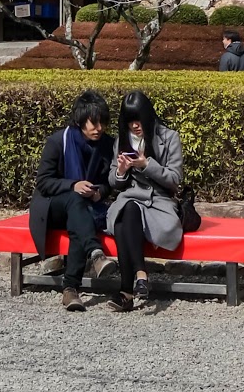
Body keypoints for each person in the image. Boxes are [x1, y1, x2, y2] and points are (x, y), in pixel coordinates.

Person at [29, 90, 116, 312]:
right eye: (93, 123)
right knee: (76, 203)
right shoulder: (59, 141)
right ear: (79, 121)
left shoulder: (108, 144)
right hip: (53, 207)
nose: (99, 128)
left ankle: (70, 290)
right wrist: (72, 185)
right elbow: (44, 182)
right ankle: (95, 254)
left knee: (80, 217)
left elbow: (110, 182)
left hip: (84, 209)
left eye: (102, 123)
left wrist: (99, 192)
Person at [106, 90, 183, 312]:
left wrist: (147, 165)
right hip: (130, 196)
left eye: (139, 119)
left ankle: (126, 293)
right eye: (130, 121)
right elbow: (113, 181)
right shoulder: (122, 140)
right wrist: (121, 171)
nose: (135, 126)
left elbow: (174, 179)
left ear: (148, 116)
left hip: (158, 202)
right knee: (127, 209)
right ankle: (140, 276)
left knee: (124, 220)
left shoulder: (169, 137)